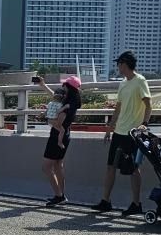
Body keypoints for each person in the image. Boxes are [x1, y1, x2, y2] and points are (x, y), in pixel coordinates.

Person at [93, 51, 152, 216]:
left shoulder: (140, 81)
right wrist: (109, 129)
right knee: (110, 166)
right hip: (119, 131)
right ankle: (105, 201)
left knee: (133, 168)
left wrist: (144, 124)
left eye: (119, 63)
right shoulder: (123, 83)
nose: (117, 66)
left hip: (132, 133)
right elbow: (118, 107)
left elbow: (148, 105)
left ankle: (136, 203)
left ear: (124, 63)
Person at [34, 75, 82, 206]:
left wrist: (45, 118)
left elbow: (57, 123)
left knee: (46, 167)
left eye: (64, 85)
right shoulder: (69, 103)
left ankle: (59, 195)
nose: (62, 87)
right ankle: (61, 195)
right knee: (58, 165)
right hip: (64, 136)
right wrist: (43, 85)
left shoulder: (66, 108)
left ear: (68, 88)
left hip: (57, 137)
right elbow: (55, 98)